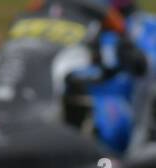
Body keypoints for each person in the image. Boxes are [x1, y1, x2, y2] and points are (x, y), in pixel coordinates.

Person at [67, 0, 156, 151]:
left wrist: (136, 56)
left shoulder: (146, 26)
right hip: (72, 102)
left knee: (111, 118)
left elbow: (148, 68)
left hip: (124, 113)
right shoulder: (74, 23)